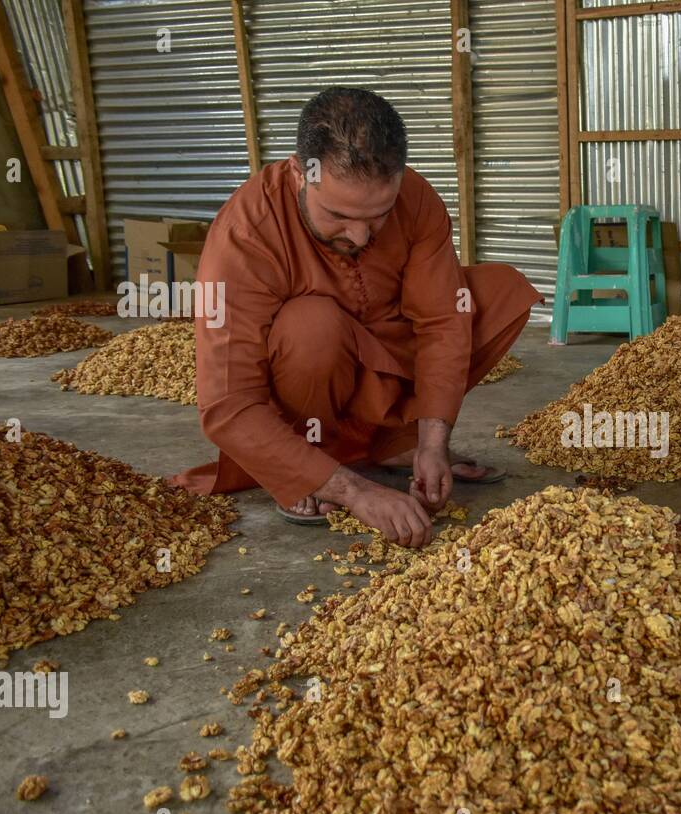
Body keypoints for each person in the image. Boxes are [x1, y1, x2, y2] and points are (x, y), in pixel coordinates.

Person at [171, 87, 541, 546]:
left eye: (380, 215)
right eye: (339, 215)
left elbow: (442, 319)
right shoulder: (245, 232)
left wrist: (432, 441)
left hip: (379, 354)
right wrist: (356, 492)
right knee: (311, 326)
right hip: (306, 374)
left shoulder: (417, 197)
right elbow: (228, 402)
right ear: (299, 172)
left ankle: (395, 444)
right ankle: (306, 466)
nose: (361, 235)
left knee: (494, 293)